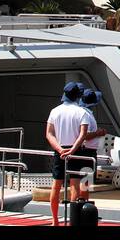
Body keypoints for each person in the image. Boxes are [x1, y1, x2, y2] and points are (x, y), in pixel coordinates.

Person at [46, 83, 90, 225]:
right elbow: (83, 134)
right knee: (75, 186)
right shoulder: (82, 112)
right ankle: (73, 220)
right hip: (75, 150)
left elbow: (49, 134)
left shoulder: (54, 111)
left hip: (60, 150)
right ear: (78, 96)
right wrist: (72, 149)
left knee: (56, 185)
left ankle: (54, 220)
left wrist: (59, 149)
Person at [77, 88, 109, 197]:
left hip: (85, 150)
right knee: (85, 181)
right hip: (87, 151)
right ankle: (82, 203)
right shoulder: (86, 115)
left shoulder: (82, 112)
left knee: (81, 181)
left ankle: (80, 202)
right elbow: (84, 136)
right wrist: (98, 133)